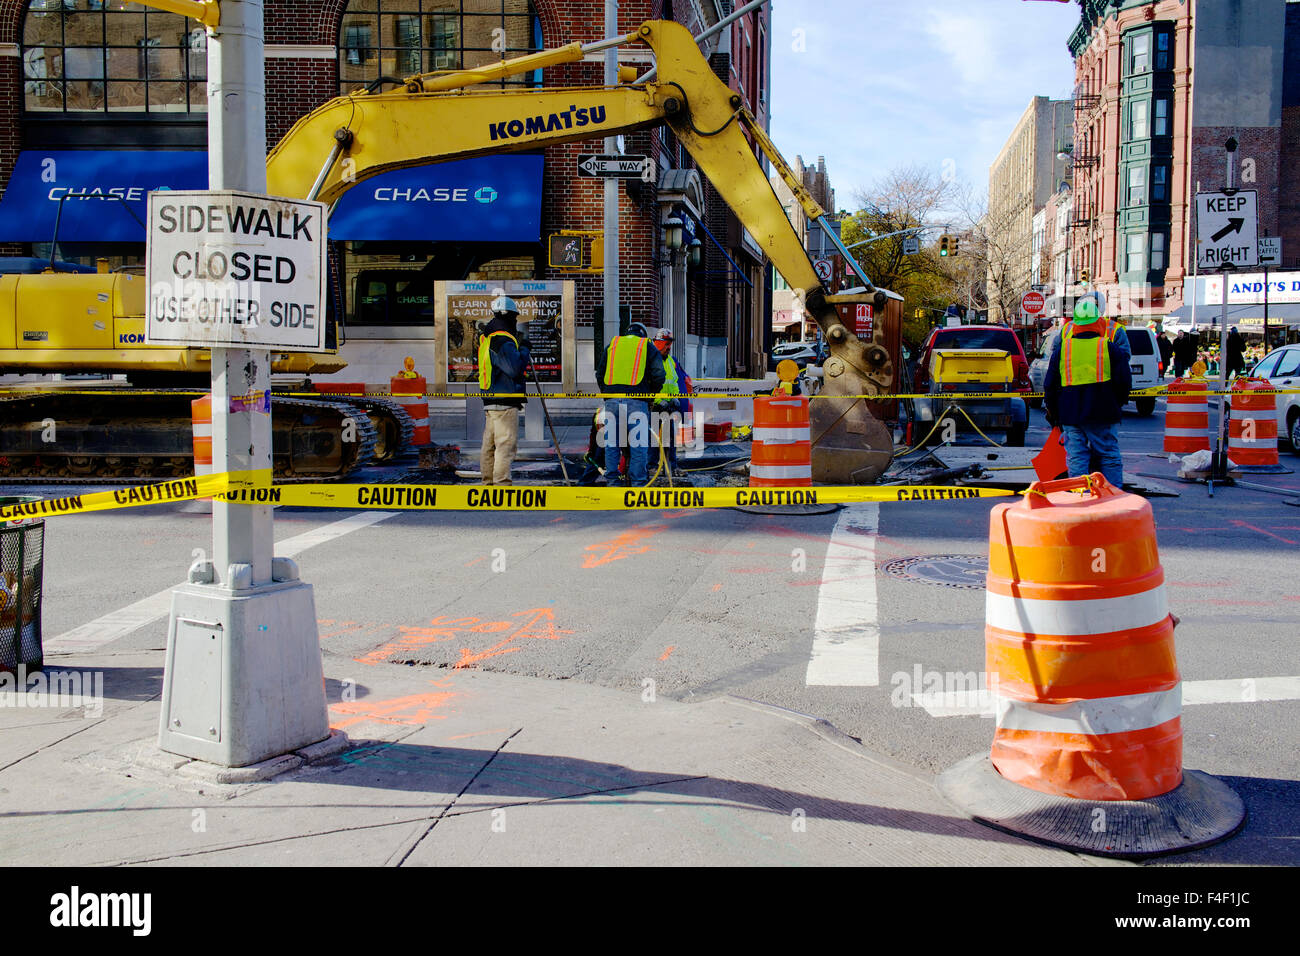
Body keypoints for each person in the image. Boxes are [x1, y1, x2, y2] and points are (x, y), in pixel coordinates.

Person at [1043, 290, 1131, 489]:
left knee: (1076, 457)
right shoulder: (1108, 347)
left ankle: (1080, 496)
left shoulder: (1063, 349)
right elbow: (1124, 382)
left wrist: (1055, 413)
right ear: (1098, 323)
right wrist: (1117, 404)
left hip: (1071, 414)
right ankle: (1113, 497)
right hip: (1103, 411)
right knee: (1108, 454)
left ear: (1075, 325)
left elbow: (1050, 385)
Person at [595, 322, 665, 486]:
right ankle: (638, 483)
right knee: (638, 445)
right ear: (643, 335)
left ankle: (613, 482)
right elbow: (659, 375)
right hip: (636, 401)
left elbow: (600, 373)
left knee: (612, 444)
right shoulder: (646, 345)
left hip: (612, 401)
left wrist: (607, 394)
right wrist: (650, 396)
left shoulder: (613, 344)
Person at [477, 294, 530, 486]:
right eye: (515, 317)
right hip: (504, 400)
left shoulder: (488, 338)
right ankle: (502, 485)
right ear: (510, 316)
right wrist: (524, 349)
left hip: (491, 399)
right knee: (505, 445)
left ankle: (488, 483)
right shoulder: (502, 339)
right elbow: (514, 368)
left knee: (489, 445)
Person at [651, 327, 692, 473]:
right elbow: (649, 385)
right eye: (666, 344)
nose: (669, 347)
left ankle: (672, 466)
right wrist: (657, 400)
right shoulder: (651, 360)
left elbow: (674, 381)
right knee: (654, 439)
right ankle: (653, 466)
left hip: (668, 406)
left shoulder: (670, 361)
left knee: (670, 439)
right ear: (658, 343)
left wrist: (675, 398)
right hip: (655, 407)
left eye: (670, 344)